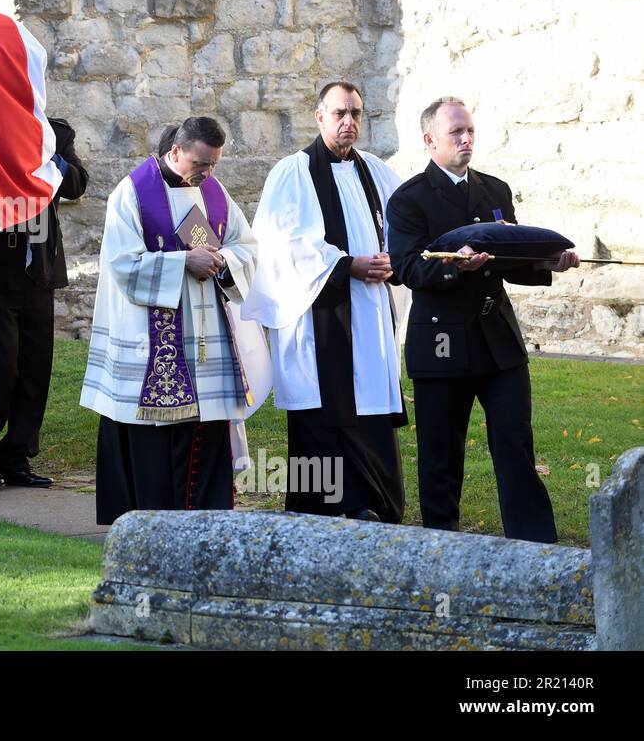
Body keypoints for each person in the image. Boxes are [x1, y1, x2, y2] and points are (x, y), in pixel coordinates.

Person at [387, 96, 578, 542]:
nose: (467, 138)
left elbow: (511, 257)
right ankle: (441, 543)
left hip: (498, 337)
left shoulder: (495, 190)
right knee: (441, 453)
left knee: (515, 443)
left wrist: (547, 263)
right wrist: (455, 265)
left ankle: (533, 545)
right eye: (456, 132)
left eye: (470, 129)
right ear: (430, 140)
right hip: (442, 341)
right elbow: (407, 269)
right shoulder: (409, 200)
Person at [243, 81, 408, 523]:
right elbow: (282, 242)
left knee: (370, 403)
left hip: (370, 312)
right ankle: (323, 509)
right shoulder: (292, 172)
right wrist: (346, 265)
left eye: (356, 113)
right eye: (339, 114)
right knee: (326, 411)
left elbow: (402, 222)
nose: (349, 122)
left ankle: (378, 504)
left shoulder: (376, 171)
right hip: (319, 315)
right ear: (319, 116)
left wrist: (394, 257)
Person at [83, 116, 260, 524]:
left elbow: (245, 247)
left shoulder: (214, 194)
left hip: (206, 345)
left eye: (214, 164)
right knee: (156, 441)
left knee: (205, 431)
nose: (207, 173)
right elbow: (123, 265)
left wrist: (223, 260)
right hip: (152, 345)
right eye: (200, 163)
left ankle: (208, 516)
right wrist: (184, 261)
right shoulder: (132, 194)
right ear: (175, 152)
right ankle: (152, 520)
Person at [0, 117, 88, 489]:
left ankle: (18, 455)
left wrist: (50, 155)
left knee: (35, 367)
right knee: (1, 363)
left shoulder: (55, 132)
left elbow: (77, 184)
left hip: (36, 269)